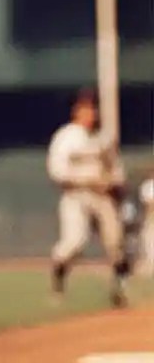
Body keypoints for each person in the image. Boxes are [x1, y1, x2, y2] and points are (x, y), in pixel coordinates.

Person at [46, 91, 130, 308]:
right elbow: (57, 171)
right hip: (76, 195)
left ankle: (119, 291)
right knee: (74, 242)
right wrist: (85, 180)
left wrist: (114, 182)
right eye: (86, 109)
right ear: (76, 112)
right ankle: (58, 287)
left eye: (93, 109)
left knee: (116, 243)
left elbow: (117, 171)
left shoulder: (102, 139)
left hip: (102, 197)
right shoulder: (66, 137)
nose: (90, 113)